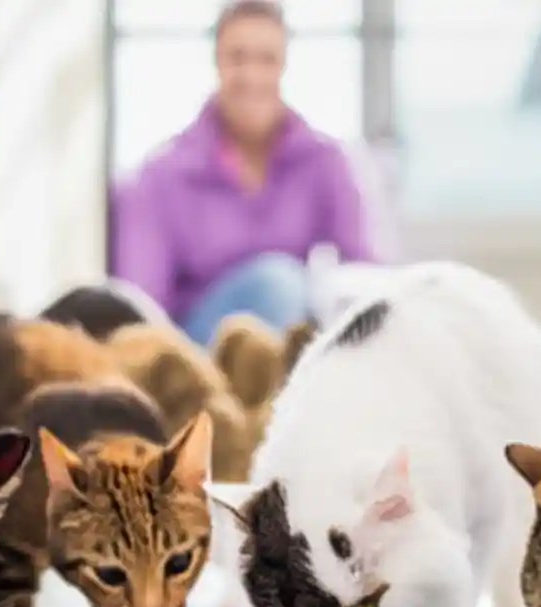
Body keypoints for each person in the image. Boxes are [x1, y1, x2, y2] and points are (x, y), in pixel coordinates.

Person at [110, 0, 378, 347]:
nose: (251, 75)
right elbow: (142, 310)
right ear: (217, 62)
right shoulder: (159, 177)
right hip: (196, 351)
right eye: (237, 58)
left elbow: (365, 274)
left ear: (284, 64)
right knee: (278, 283)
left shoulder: (325, 161)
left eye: (267, 59)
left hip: (292, 340)